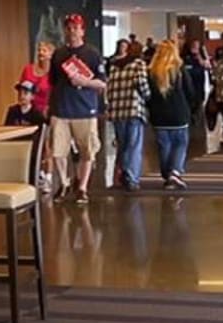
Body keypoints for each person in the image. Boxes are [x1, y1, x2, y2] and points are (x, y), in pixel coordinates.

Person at [47, 14, 106, 204]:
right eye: (69, 28)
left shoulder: (92, 53)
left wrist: (85, 82)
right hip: (61, 109)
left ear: (82, 30)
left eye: (76, 28)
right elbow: (53, 81)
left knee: (86, 150)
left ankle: (82, 187)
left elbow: (102, 83)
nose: (72, 31)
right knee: (58, 151)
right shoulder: (58, 54)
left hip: (84, 109)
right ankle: (64, 183)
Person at [147, 42, 192, 190]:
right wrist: (193, 108)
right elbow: (190, 91)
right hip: (179, 114)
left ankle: (167, 175)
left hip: (159, 116)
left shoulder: (151, 71)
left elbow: (148, 95)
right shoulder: (179, 70)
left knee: (164, 146)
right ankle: (175, 171)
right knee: (180, 144)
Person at [105, 42, 150, 190]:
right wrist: (148, 97)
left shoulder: (114, 66)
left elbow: (109, 89)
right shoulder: (139, 64)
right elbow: (142, 85)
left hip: (117, 111)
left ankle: (122, 172)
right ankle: (132, 177)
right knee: (134, 145)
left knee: (123, 145)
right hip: (133, 109)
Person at [20, 41, 54, 118]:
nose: (40, 52)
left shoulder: (54, 72)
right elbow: (22, 90)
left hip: (46, 112)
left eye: (44, 51)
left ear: (51, 55)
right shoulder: (28, 69)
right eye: (39, 50)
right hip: (28, 110)